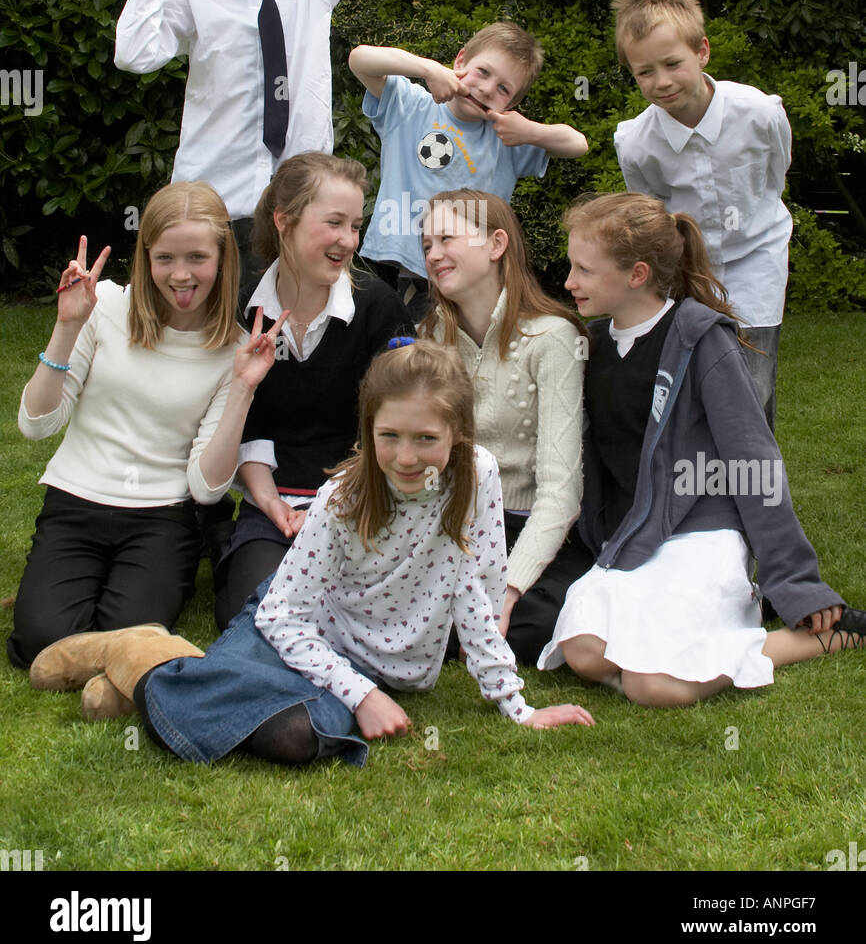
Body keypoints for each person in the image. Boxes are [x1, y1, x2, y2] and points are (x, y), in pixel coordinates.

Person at [29, 341, 597, 761]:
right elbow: (281, 617)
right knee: (284, 726)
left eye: (427, 439)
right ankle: (142, 654)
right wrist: (364, 695)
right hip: (294, 640)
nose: (405, 457)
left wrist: (516, 706)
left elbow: (478, 590)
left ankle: (160, 672)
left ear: (458, 435)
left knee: (294, 736)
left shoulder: (478, 477)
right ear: (368, 429)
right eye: (389, 436)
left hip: (375, 668)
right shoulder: (339, 500)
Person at [538, 192, 866, 706]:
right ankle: (691, 641)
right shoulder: (594, 344)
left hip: (702, 533)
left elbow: (754, 462)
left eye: (583, 269)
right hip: (634, 539)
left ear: (637, 274)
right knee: (583, 652)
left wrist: (796, 583)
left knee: (655, 687)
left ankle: (813, 637)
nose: (568, 282)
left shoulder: (700, 340)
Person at [9, 182, 286, 671]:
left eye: (198, 258)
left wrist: (243, 386)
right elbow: (36, 424)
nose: (181, 275)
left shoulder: (234, 349)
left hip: (163, 513)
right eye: (166, 258)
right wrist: (67, 326)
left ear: (222, 259)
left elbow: (206, 487)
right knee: (42, 639)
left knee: (129, 625)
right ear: (146, 257)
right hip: (77, 500)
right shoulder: (105, 308)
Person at [115, 0, 395, 254]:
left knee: (300, 320)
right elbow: (133, 53)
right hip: (214, 206)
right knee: (213, 321)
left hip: (302, 204)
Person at [214, 153, 413, 629]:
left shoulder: (377, 308)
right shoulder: (242, 308)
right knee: (252, 611)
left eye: (355, 225)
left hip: (360, 502)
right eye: (334, 223)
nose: (348, 240)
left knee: (363, 615)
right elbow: (247, 428)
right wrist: (271, 505)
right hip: (273, 503)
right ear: (284, 221)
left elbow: (401, 426)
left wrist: (329, 509)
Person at [419, 189, 594, 663]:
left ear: (496, 245)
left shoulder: (552, 339)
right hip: (458, 525)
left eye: (446, 239)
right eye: (426, 244)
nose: (433, 254)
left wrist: (510, 585)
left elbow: (561, 492)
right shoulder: (434, 336)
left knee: (525, 626)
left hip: (535, 527)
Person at [612, 0, 792, 429]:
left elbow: (775, 175)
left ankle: (756, 489)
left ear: (702, 52)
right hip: (691, 272)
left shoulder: (759, 113)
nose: (662, 81)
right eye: (645, 72)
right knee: (691, 382)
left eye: (673, 63)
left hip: (758, 260)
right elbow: (654, 211)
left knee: (752, 383)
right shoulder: (636, 142)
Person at [349, 20, 588, 320]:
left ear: (511, 103)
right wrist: (429, 69)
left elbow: (578, 144)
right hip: (401, 268)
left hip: (470, 281)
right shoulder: (412, 106)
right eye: (483, 72)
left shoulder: (507, 137)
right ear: (460, 60)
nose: (487, 89)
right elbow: (359, 59)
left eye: (503, 88)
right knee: (400, 356)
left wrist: (529, 130)